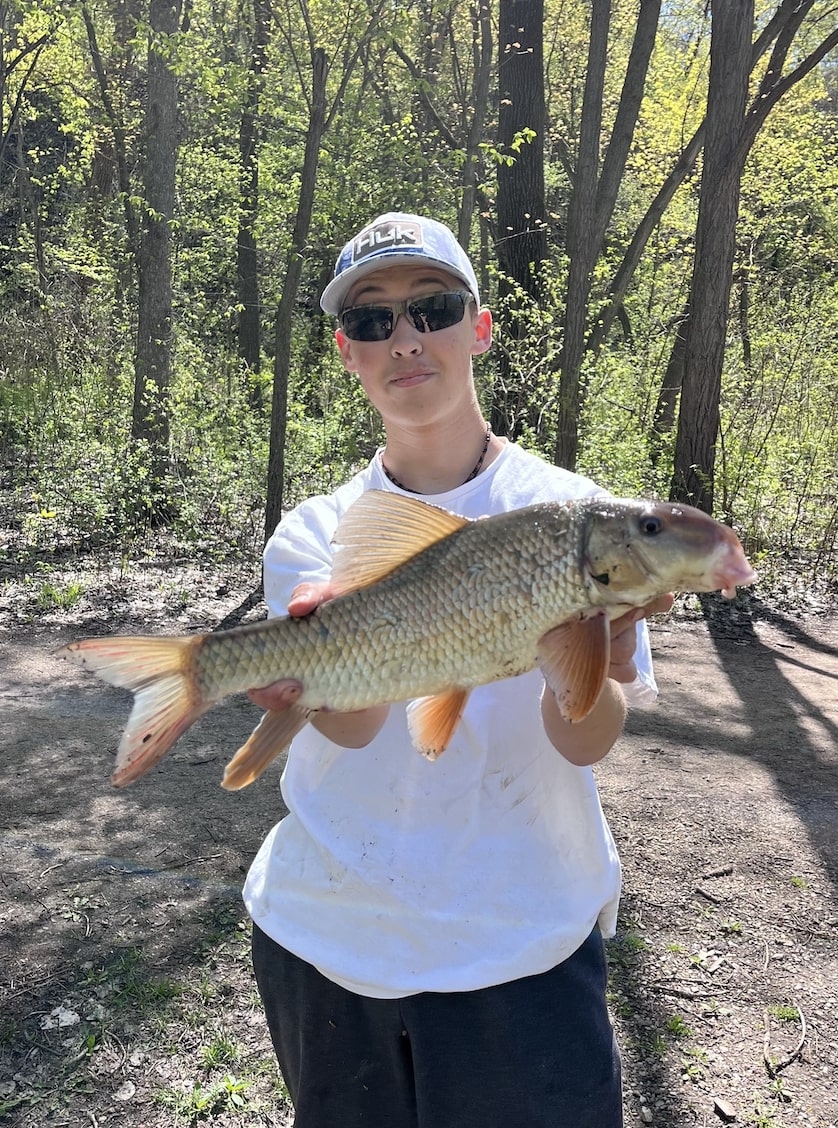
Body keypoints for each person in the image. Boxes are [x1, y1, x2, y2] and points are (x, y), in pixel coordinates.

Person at [243, 212, 672, 1128]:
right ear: (347, 352)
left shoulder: (575, 517)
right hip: (329, 941)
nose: (405, 338)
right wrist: (314, 679)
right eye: (372, 321)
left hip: (525, 947)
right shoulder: (317, 535)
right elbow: (354, 729)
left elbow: (585, 740)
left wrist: (606, 650)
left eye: (431, 308)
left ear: (477, 327)